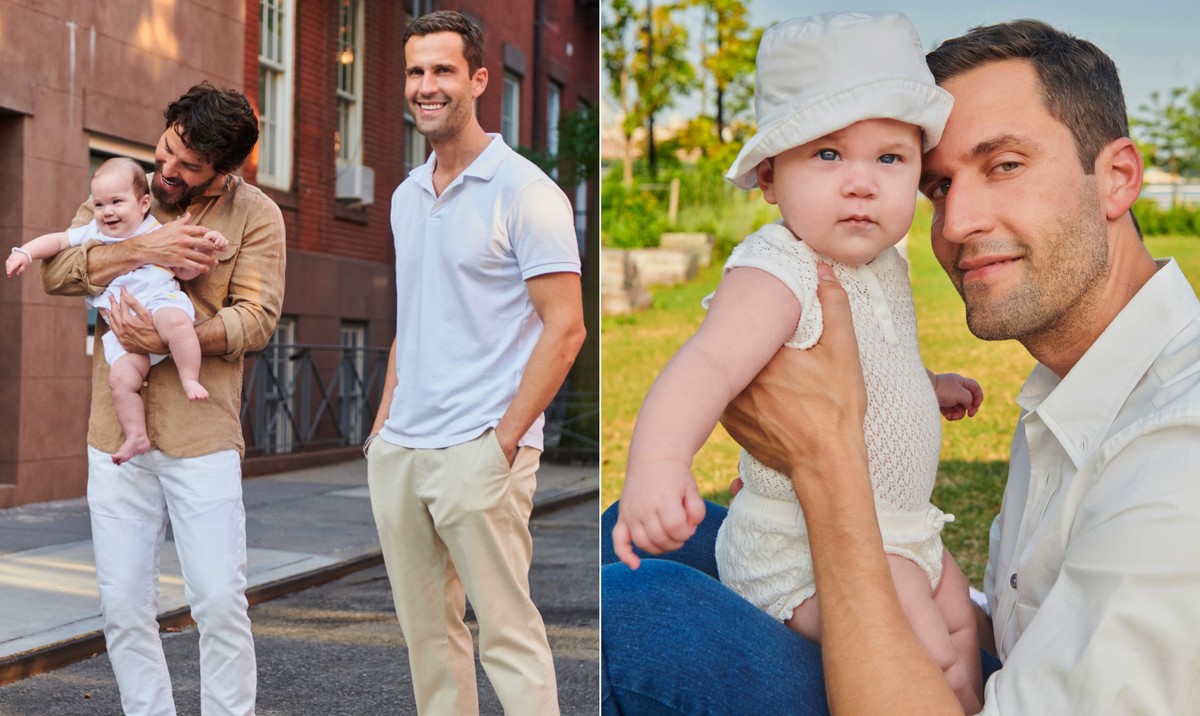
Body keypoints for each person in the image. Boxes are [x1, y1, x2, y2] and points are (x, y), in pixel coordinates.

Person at [602, 18, 1200, 716]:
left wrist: (826, 460)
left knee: (631, 614)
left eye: (1004, 164)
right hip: (948, 622)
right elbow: (1033, 627)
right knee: (650, 530)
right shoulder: (1080, 385)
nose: (955, 223)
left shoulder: (1175, 452)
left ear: (1118, 178)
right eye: (940, 186)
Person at [611, 12, 984, 712]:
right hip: (805, 546)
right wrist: (659, 467)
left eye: (890, 159)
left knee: (960, 619)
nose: (861, 183)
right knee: (928, 648)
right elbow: (708, 368)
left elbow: (871, 364)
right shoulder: (776, 269)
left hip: (902, 529)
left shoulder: (880, 265)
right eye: (828, 155)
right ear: (770, 179)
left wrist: (924, 386)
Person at [364, 10, 586, 715]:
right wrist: (380, 433)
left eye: (443, 71)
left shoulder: (525, 192)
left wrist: (506, 440)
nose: (426, 86)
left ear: (479, 79)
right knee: (427, 640)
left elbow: (567, 328)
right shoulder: (405, 196)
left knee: (507, 636)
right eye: (416, 72)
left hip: (482, 447)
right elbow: (413, 322)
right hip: (403, 448)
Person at [40, 82, 285, 716]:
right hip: (114, 435)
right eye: (167, 151)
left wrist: (170, 336)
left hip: (201, 433)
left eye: (190, 165)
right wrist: (142, 248)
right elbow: (59, 269)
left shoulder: (256, 215)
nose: (169, 170)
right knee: (123, 606)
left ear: (224, 170)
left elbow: (256, 319)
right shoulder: (124, 193)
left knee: (218, 602)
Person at [7, 157, 229, 465]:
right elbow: (58, 240)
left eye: (116, 202)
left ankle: (189, 376)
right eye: (99, 204)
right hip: (124, 333)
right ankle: (136, 435)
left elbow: (184, 269)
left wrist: (210, 246)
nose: (106, 211)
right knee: (121, 381)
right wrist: (25, 252)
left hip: (159, 304)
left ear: (143, 204)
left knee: (178, 326)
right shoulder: (93, 233)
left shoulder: (157, 230)